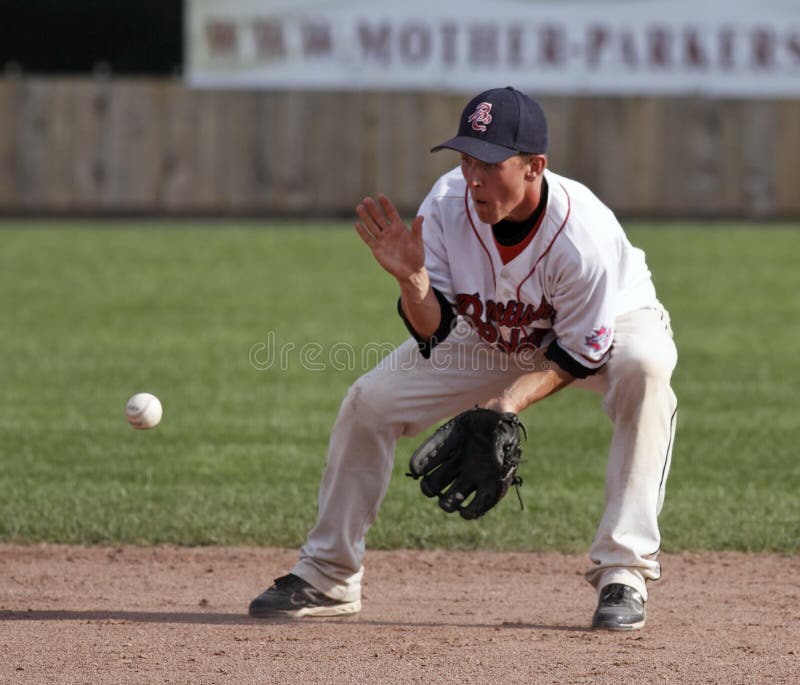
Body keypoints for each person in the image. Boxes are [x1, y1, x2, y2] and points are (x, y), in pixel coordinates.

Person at [248, 86, 678, 631]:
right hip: (493, 331)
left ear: (534, 167)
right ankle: (329, 574)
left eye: (491, 163)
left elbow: (577, 352)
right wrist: (412, 280)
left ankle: (625, 572)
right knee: (370, 402)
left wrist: (503, 406)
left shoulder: (581, 237)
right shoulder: (448, 204)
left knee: (645, 369)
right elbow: (439, 329)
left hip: (608, 324)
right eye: (467, 158)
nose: (474, 176)